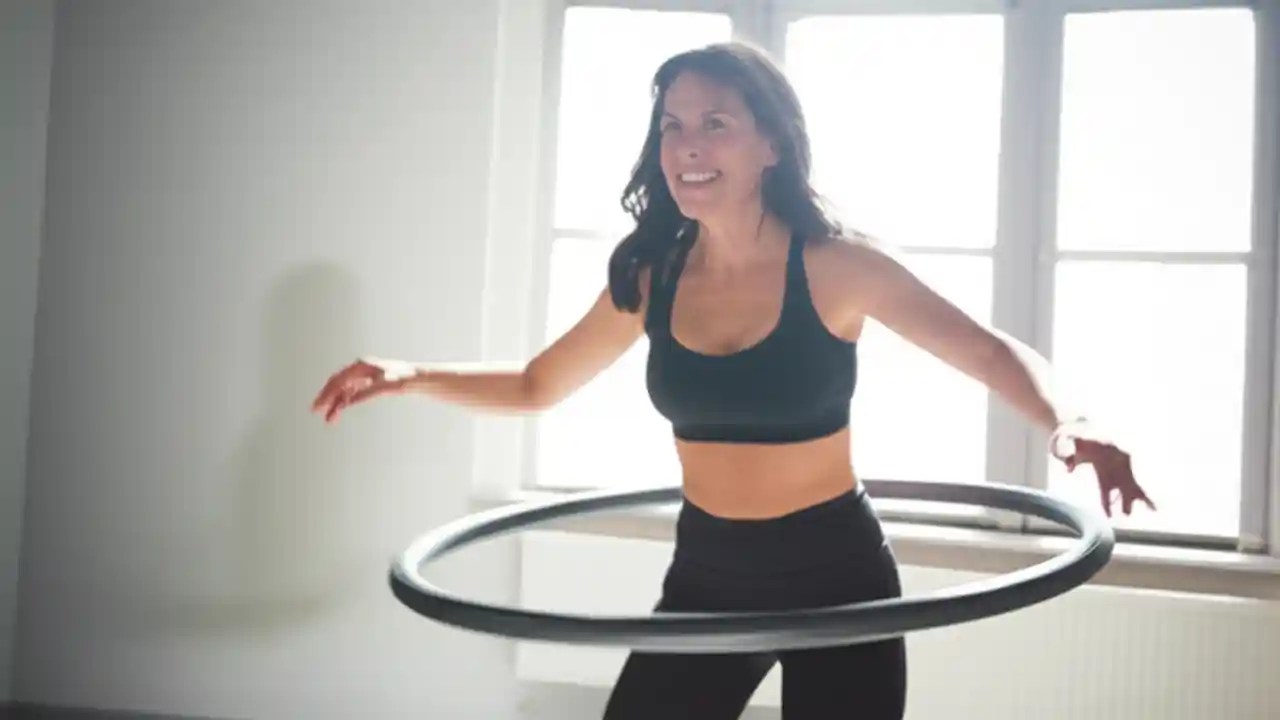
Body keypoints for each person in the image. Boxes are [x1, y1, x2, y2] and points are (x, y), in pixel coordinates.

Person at [311, 41, 1155, 720]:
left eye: (715, 123)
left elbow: (987, 351)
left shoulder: (836, 267)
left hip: (838, 577)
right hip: (708, 574)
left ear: (771, 145)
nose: (687, 146)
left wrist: (1067, 423)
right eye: (673, 125)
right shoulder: (652, 275)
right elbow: (538, 384)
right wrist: (408, 373)